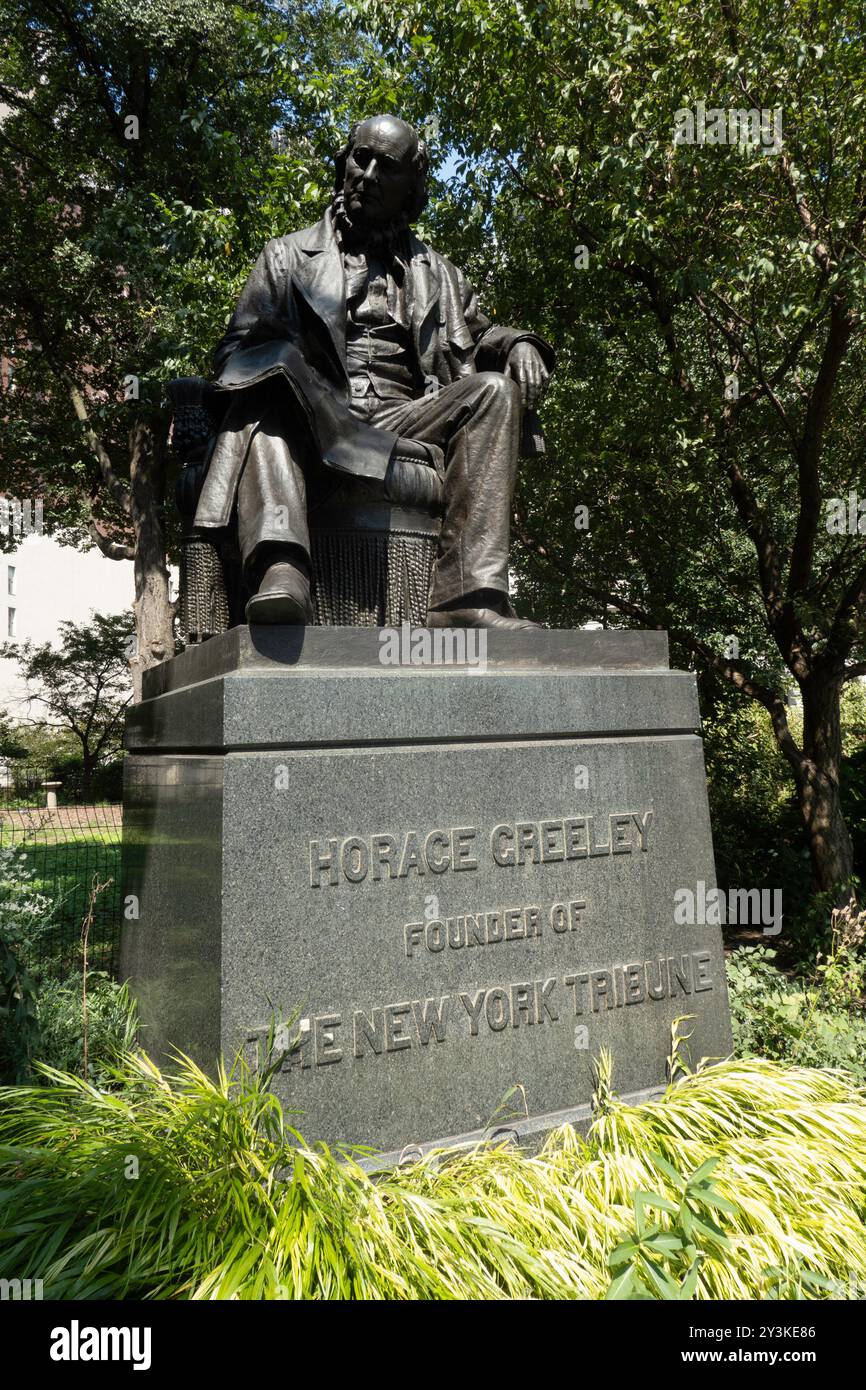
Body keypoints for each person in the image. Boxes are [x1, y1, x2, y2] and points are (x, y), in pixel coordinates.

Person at [193, 114, 555, 629]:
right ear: (344, 162)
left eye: (386, 166)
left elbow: (480, 334)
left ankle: (465, 601)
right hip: (314, 418)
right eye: (359, 158)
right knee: (269, 389)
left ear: (410, 185)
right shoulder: (287, 256)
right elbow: (233, 355)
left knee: (494, 391)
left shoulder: (440, 273)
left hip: (405, 416)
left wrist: (520, 343)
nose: (366, 174)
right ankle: (283, 570)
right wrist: (288, 368)